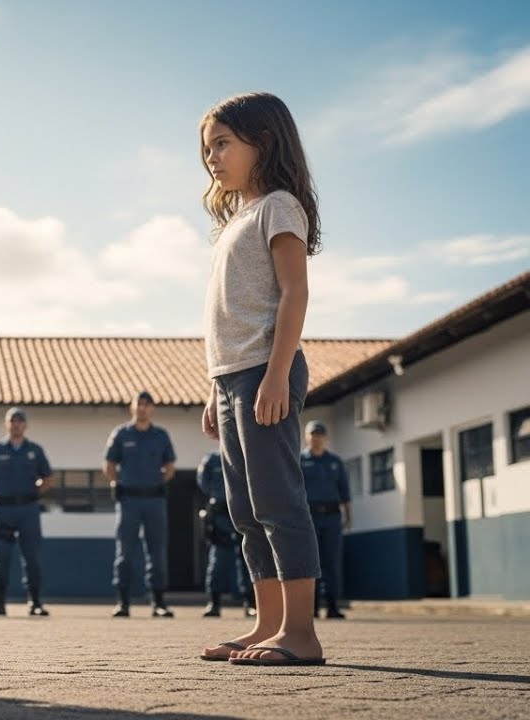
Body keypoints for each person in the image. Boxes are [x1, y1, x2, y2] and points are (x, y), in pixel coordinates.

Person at [197, 92, 327, 666]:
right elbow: (229, 318)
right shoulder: (235, 221)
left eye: (223, 143)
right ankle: (267, 624)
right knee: (245, 509)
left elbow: (294, 293)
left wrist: (276, 374)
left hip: (264, 373)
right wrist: (214, 387)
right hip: (231, 380)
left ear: (264, 141)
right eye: (208, 148)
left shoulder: (279, 206)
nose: (212, 158)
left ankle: (301, 634)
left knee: (279, 501)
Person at [104, 390, 177, 618]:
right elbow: (108, 464)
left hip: (154, 500)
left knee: (156, 553)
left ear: (152, 408)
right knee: (124, 552)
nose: (143, 408)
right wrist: (118, 483)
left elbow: (170, 468)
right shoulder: (121, 434)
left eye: (147, 404)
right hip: (129, 501)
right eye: (139, 404)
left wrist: (154, 482)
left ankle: (158, 603)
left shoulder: (160, 435)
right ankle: (123, 602)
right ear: (132, 407)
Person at [0, 407, 53, 617]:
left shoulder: (35, 450)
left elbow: (47, 478)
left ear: (26, 425)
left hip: (28, 510)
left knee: (31, 557)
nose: (16, 424)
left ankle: (35, 603)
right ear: (7, 424)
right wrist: (0, 494)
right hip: (4, 510)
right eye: (12, 421)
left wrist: (31, 494)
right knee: (1, 557)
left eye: (20, 421)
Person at [301, 420, 351, 620]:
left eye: (320, 434)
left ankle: (332, 606)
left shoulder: (335, 462)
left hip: (331, 517)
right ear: (306, 437)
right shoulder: (299, 461)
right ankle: (310, 608)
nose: (316, 438)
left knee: (331, 561)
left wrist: (348, 516)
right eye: (313, 434)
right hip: (309, 517)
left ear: (326, 438)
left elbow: (345, 492)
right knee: (309, 562)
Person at [196, 451, 255, 617]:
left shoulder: (246, 455)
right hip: (220, 514)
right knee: (218, 559)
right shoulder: (212, 460)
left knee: (247, 558)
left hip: (244, 512)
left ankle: (250, 603)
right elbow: (203, 484)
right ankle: (214, 603)